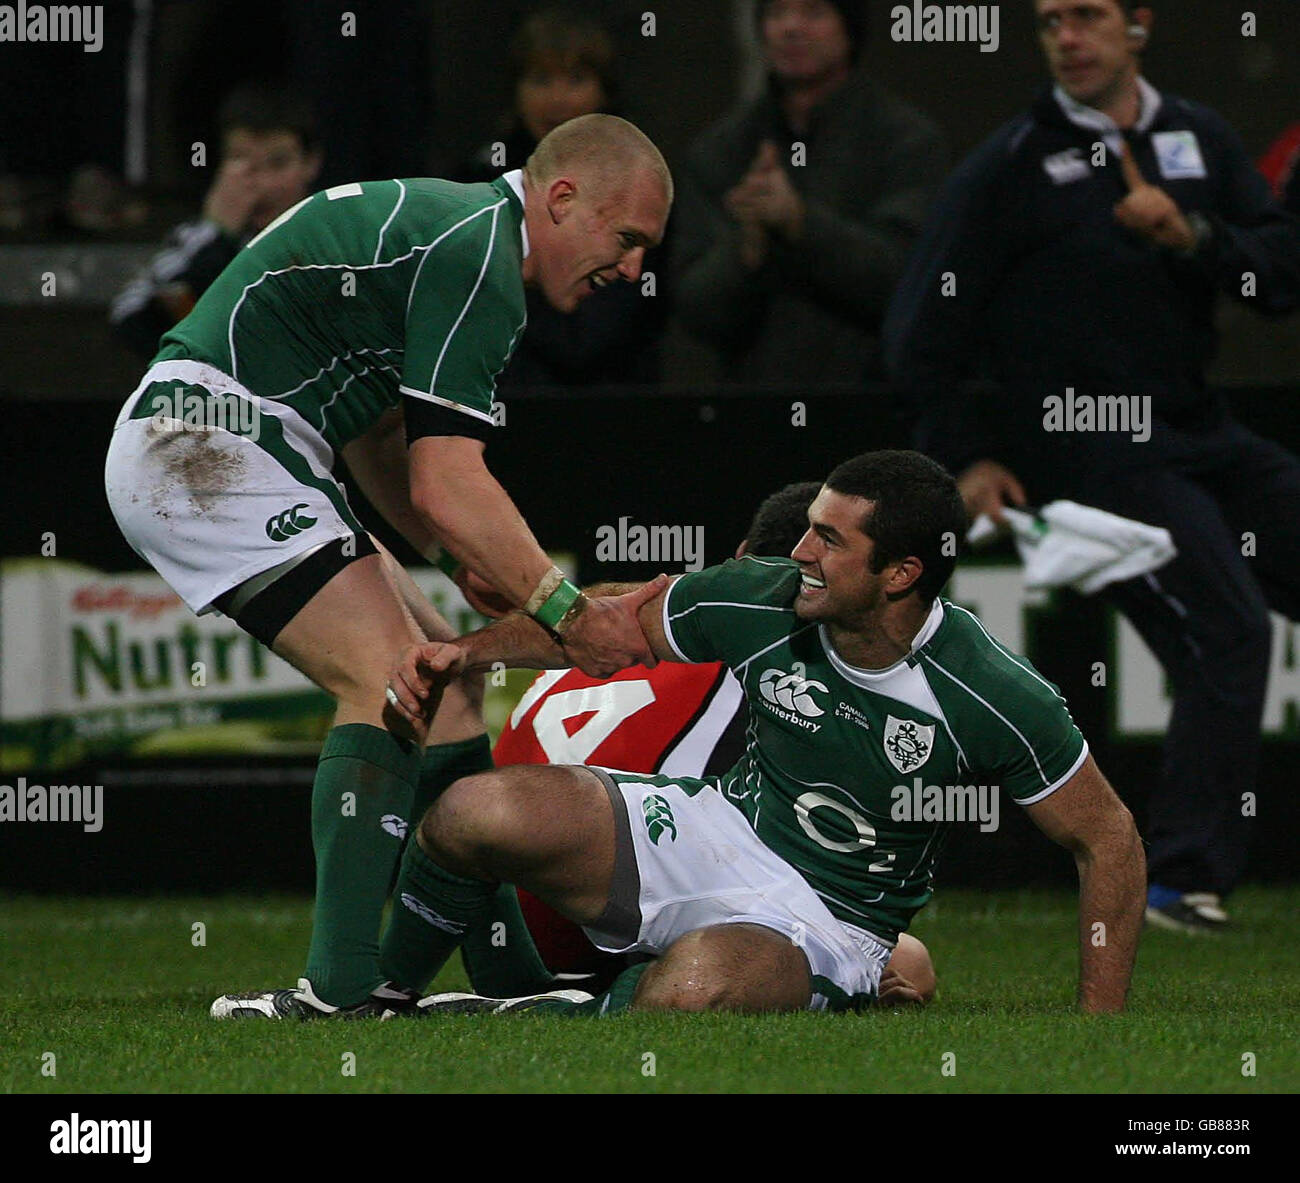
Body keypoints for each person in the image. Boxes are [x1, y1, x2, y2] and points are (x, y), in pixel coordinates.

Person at [104, 114, 673, 1018]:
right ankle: (337, 991)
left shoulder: (462, 233)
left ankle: (512, 982)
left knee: (444, 678)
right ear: (562, 199)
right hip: (203, 442)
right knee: (389, 680)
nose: (634, 270)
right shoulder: (482, 251)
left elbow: (380, 443)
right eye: (629, 238)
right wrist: (566, 608)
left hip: (242, 445)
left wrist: (458, 557)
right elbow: (450, 478)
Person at [383, 451, 1143, 1016]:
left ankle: (544, 1010)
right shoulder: (763, 598)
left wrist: (1098, 1024)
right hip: (715, 826)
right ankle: (377, 997)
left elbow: (1108, 835)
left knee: (690, 997)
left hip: (832, 918)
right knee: (470, 812)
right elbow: (606, 625)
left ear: (902, 573)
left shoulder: (992, 691)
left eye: (830, 541)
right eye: (809, 531)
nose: (802, 553)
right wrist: (466, 654)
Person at [885, 0, 1300, 933]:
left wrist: (1195, 239)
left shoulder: (1198, 134)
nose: (1068, 38)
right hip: (1092, 448)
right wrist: (967, 455)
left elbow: (1279, 273)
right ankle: (1180, 881)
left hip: (1204, 429)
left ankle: (1185, 871)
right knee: (1227, 627)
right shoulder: (1009, 163)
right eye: (1049, 22)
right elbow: (919, 331)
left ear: (1139, 24)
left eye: (1088, 16)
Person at [491, 477, 936, 1003]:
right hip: (596, 924)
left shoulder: (609, 626)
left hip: (501, 914)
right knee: (902, 958)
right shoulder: (773, 671)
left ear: (741, 559)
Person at [672, 0, 948, 389]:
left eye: (813, 12)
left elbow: (914, 285)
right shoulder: (722, 148)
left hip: (874, 405)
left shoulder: (906, 142)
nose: (790, 28)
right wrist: (745, 251)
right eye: (776, 13)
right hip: (752, 411)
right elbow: (694, 311)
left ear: (850, 31)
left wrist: (801, 222)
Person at [456, 7, 664, 389]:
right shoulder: (478, 183)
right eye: (540, 79)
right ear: (516, 90)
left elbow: (606, 329)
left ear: (604, 90)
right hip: (498, 397)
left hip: (615, 395)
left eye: (575, 79)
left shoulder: (642, 190)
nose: (557, 99)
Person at [109, 84, 324, 358]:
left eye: (278, 163)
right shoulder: (197, 237)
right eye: (242, 161)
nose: (262, 183)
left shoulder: (334, 232)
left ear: (311, 163)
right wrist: (217, 237)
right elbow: (130, 316)